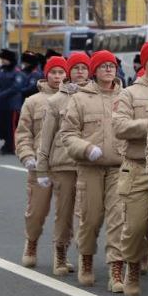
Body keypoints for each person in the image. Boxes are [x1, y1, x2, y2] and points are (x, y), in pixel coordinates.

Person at [111, 41, 148, 296]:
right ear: (145, 63)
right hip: (137, 167)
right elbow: (119, 126)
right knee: (134, 228)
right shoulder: (129, 93)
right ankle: (132, 268)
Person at [61, 51, 125, 287]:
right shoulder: (80, 99)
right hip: (90, 168)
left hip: (120, 167)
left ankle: (116, 268)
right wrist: (86, 148)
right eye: (103, 66)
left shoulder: (125, 97)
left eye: (112, 66)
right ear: (94, 71)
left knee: (118, 219)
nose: (108, 69)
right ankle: (86, 258)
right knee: (90, 218)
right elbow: (68, 135)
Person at [36, 53, 89, 276]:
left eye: (84, 68)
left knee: (88, 214)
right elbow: (46, 136)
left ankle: (85, 256)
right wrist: (41, 167)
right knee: (64, 212)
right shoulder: (56, 100)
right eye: (75, 68)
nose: (80, 72)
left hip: (90, 163)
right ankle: (60, 252)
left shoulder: (96, 96)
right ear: (69, 72)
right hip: (64, 163)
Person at [15, 56, 66, 269]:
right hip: (39, 165)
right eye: (53, 72)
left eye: (61, 72)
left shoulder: (75, 98)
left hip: (65, 164)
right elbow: (23, 133)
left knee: (65, 214)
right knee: (36, 211)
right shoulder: (33, 101)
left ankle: (61, 252)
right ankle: (31, 243)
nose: (57, 76)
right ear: (46, 74)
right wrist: (27, 156)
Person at [0, 49, 26, 154]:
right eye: (2, 59)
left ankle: (12, 146)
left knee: (11, 127)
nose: (2, 61)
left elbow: (16, 87)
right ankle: (7, 143)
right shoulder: (2, 71)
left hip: (12, 104)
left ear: (10, 60)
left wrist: (2, 94)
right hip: (1, 104)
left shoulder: (17, 72)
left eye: (4, 59)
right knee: (1, 125)